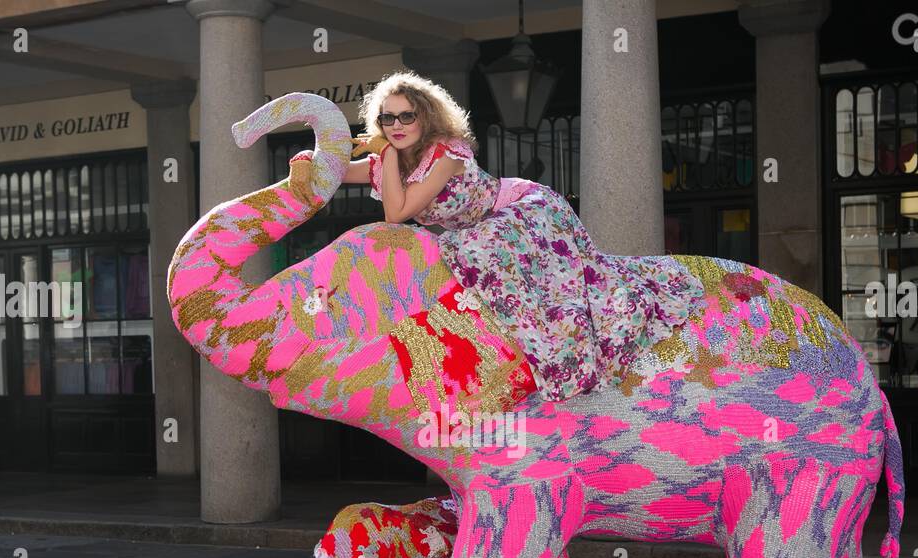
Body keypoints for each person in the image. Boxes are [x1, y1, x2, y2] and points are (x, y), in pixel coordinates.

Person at [292, 70, 705, 403]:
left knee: (469, 250)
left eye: (406, 116)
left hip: (519, 212)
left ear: (426, 117)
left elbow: (397, 214)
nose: (396, 126)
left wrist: (383, 154)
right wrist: (311, 161)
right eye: (387, 118)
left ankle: (561, 357)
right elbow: (336, 173)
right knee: (459, 251)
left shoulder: (446, 154)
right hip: (480, 231)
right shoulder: (394, 159)